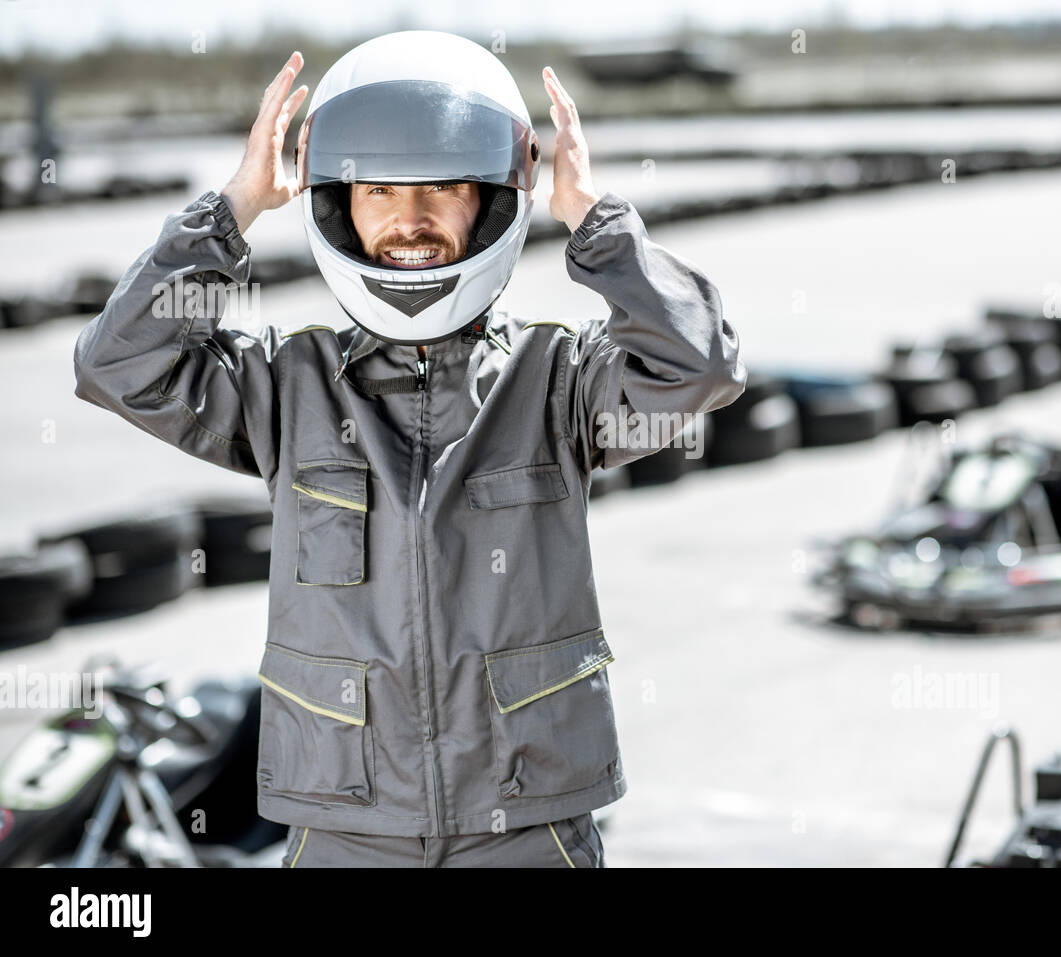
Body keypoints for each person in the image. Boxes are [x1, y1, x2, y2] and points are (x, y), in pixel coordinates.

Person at [71, 31, 745, 867]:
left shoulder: (557, 380)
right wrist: (231, 211)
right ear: (336, 203)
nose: (411, 221)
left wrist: (593, 220)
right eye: (378, 188)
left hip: (525, 820)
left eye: (446, 189)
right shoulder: (288, 386)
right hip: (345, 823)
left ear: (494, 197)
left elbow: (701, 361)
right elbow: (116, 362)